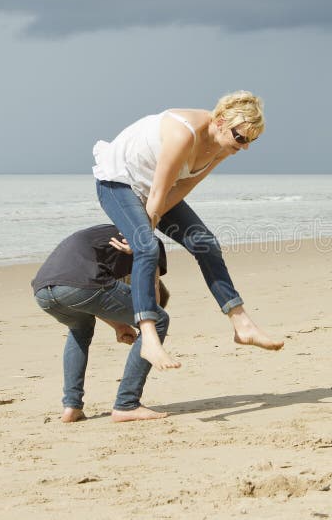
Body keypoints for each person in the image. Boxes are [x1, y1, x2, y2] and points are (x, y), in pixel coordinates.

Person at [92, 90, 284, 370]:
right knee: (146, 246)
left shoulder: (222, 144)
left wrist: (145, 226)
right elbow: (157, 190)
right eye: (240, 137)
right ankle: (148, 338)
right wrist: (142, 232)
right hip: (119, 183)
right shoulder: (183, 133)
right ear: (219, 121)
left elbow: (183, 186)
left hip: (158, 188)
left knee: (205, 243)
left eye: (251, 141)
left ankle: (242, 324)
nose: (244, 147)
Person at [32, 224, 171, 423]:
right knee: (159, 319)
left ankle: (71, 406)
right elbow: (151, 293)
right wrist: (148, 330)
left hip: (43, 290)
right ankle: (127, 403)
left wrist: (120, 326)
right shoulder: (149, 240)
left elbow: (92, 300)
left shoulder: (112, 241)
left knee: (80, 329)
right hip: (81, 284)